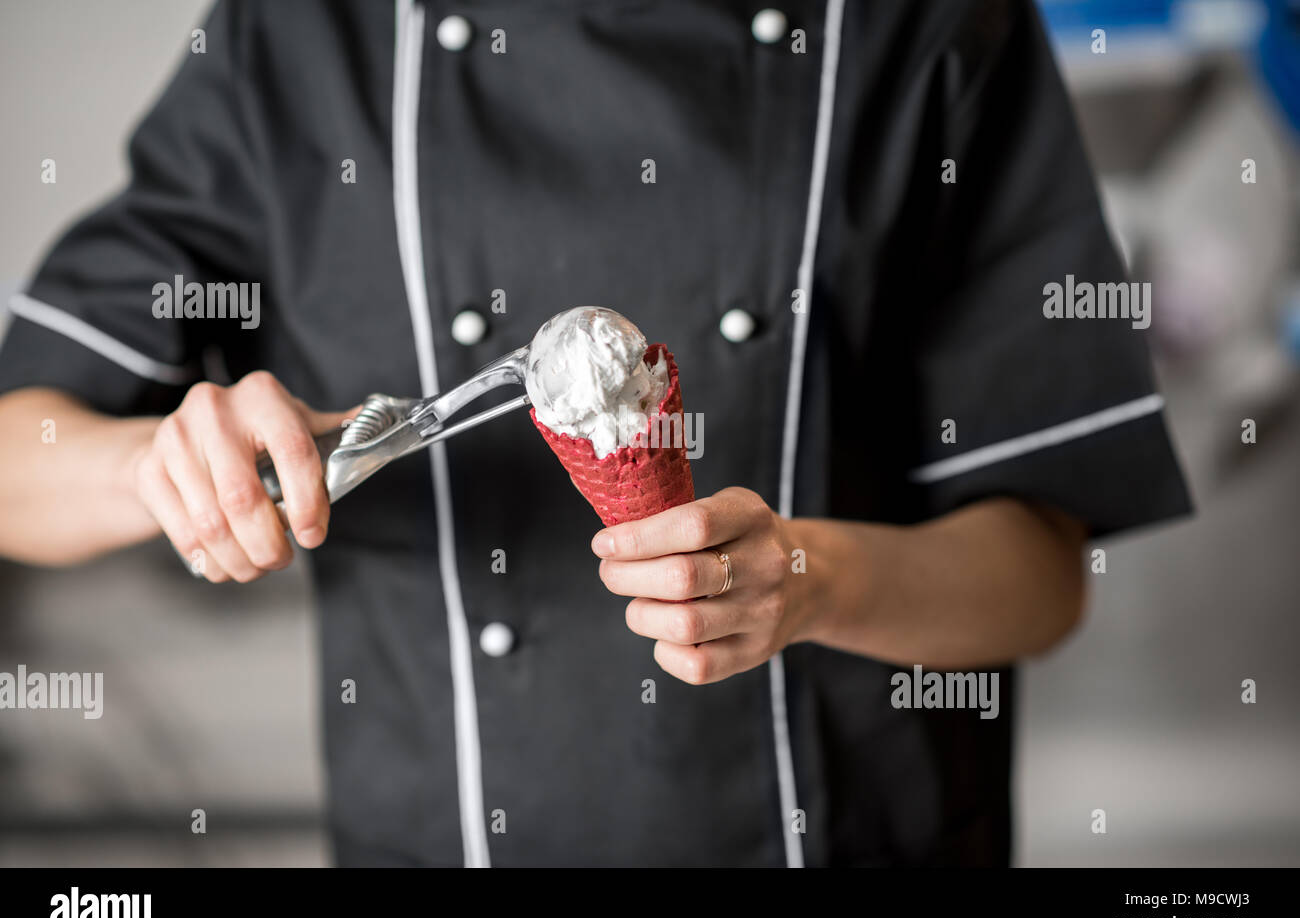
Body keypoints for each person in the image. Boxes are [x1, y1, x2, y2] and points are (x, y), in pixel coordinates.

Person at [0, 0, 1190, 866]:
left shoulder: (924, 24)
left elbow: (1045, 573)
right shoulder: (303, 39)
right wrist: (162, 467)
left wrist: (807, 581)